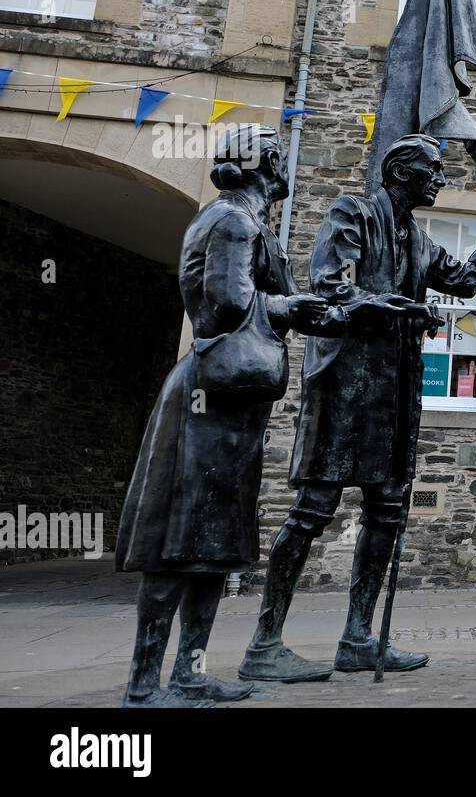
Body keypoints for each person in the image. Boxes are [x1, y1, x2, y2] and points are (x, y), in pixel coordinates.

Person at [241, 133, 476, 683]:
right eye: (433, 169)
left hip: (392, 394)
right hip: (344, 385)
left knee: (387, 512)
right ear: (401, 172)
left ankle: (358, 639)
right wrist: (394, 309)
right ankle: (264, 642)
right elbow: (330, 288)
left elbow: (464, 282)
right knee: (313, 512)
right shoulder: (352, 214)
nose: (441, 178)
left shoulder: (417, 240)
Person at [116, 125, 346, 707]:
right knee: (178, 545)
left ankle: (190, 673)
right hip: (206, 399)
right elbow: (227, 304)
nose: (287, 164)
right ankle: (144, 687)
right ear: (267, 163)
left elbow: (279, 303)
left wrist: (357, 310)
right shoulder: (232, 223)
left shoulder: (250, 225)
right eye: (280, 155)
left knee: (212, 548)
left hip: (232, 403)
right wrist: (289, 306)